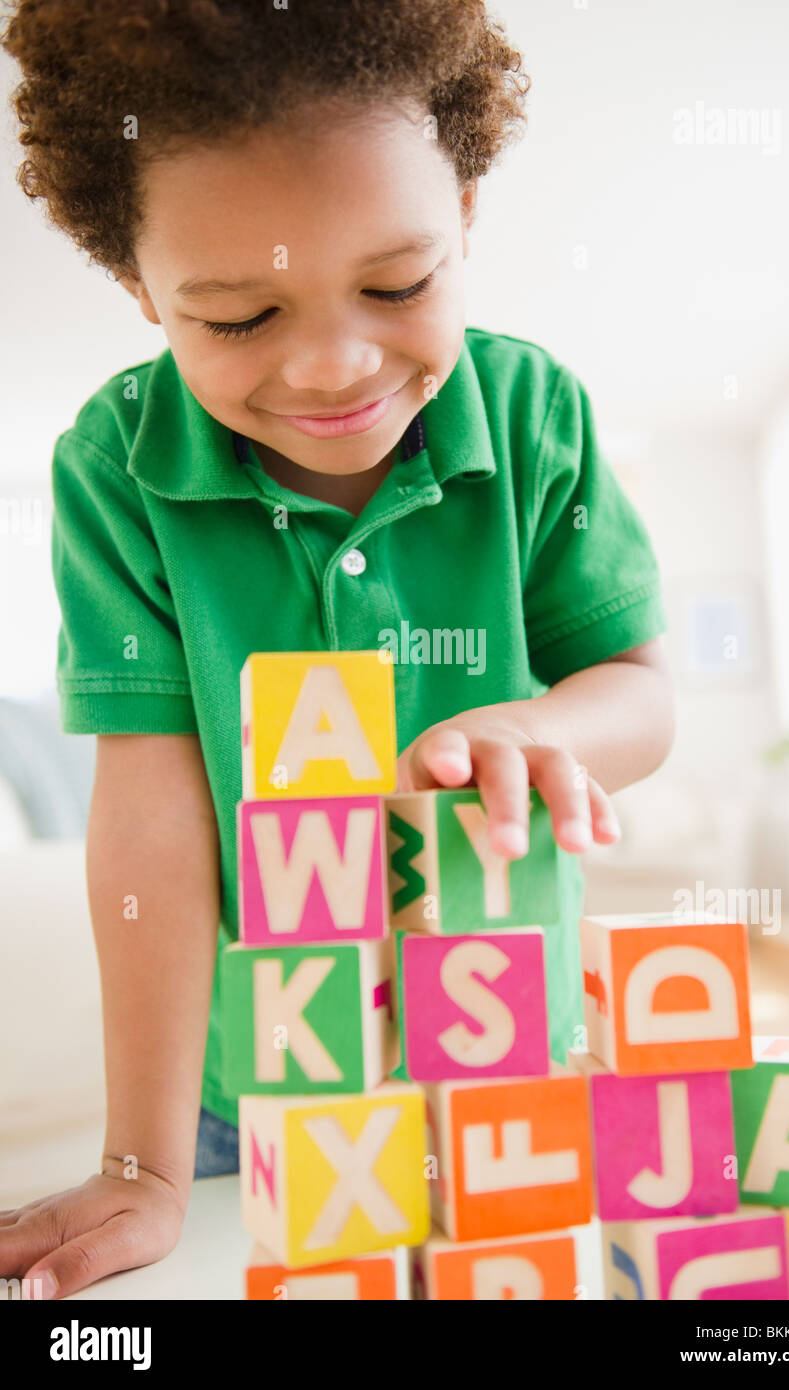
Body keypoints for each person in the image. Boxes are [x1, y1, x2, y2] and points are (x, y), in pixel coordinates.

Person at [0, 0, 674, 1299]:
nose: (331, 365)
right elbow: (149, 810)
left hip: (506, 1058)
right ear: (138, 287)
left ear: (465, 212)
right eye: (238, 317)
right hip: (250, 1083)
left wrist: (542, 728)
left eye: (396, 285)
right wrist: (139, 1167)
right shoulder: (114, 465)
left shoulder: (535, 415)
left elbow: (638, 697)